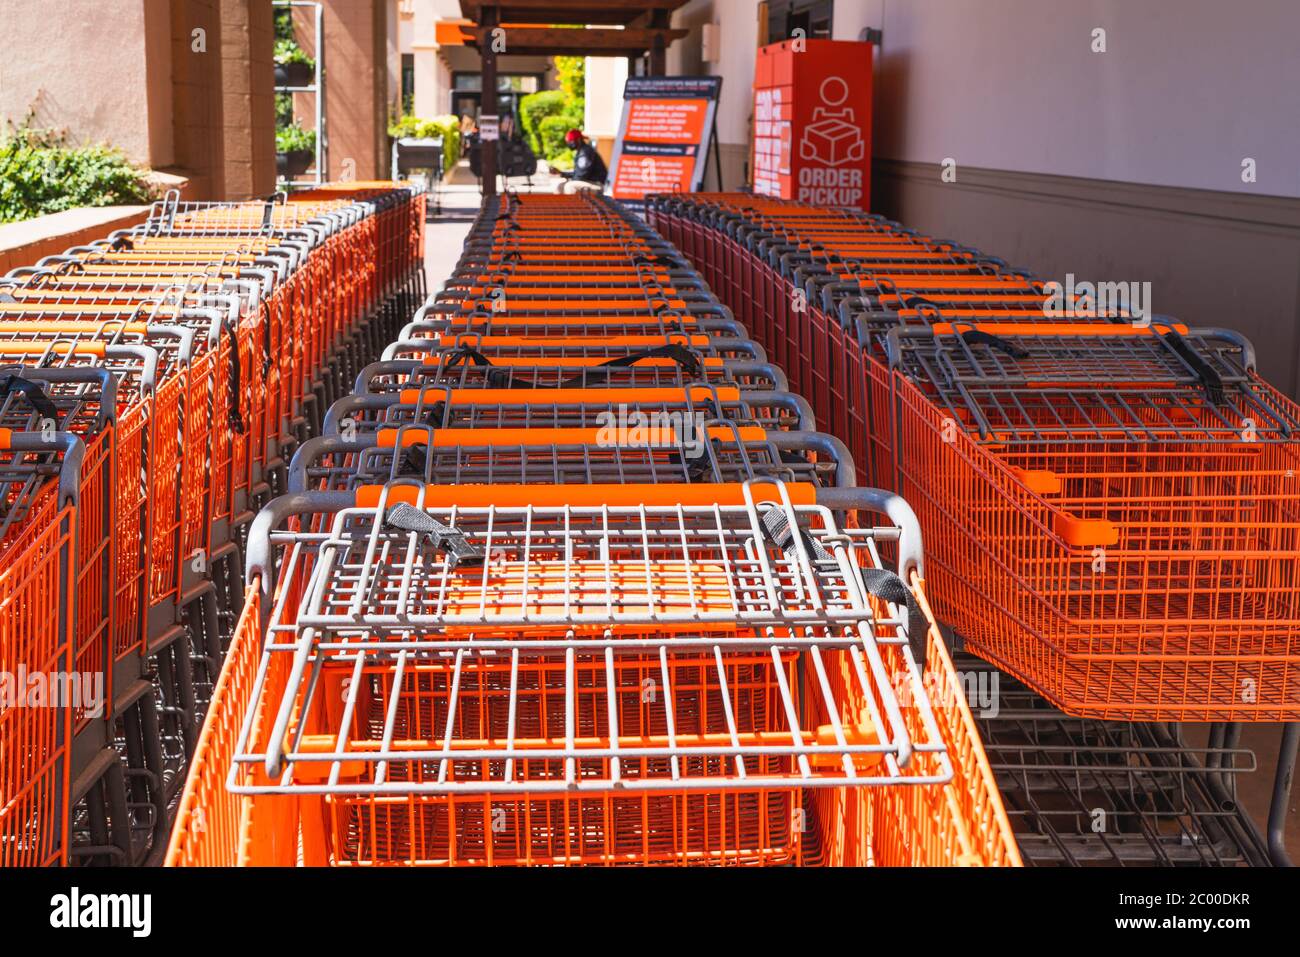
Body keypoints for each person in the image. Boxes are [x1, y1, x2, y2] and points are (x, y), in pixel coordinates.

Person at [554, 129, 607, 193]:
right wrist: (561, 173)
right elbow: (578, 174)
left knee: (570, 186)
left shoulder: (586, 152)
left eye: (571, 141)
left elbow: (581, 175)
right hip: (588, 182)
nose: (569, 144)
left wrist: (569, 179)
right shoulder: (581, 151)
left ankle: (573, 203)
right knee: (560, 186)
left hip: (596, 184)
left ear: (578, 140)